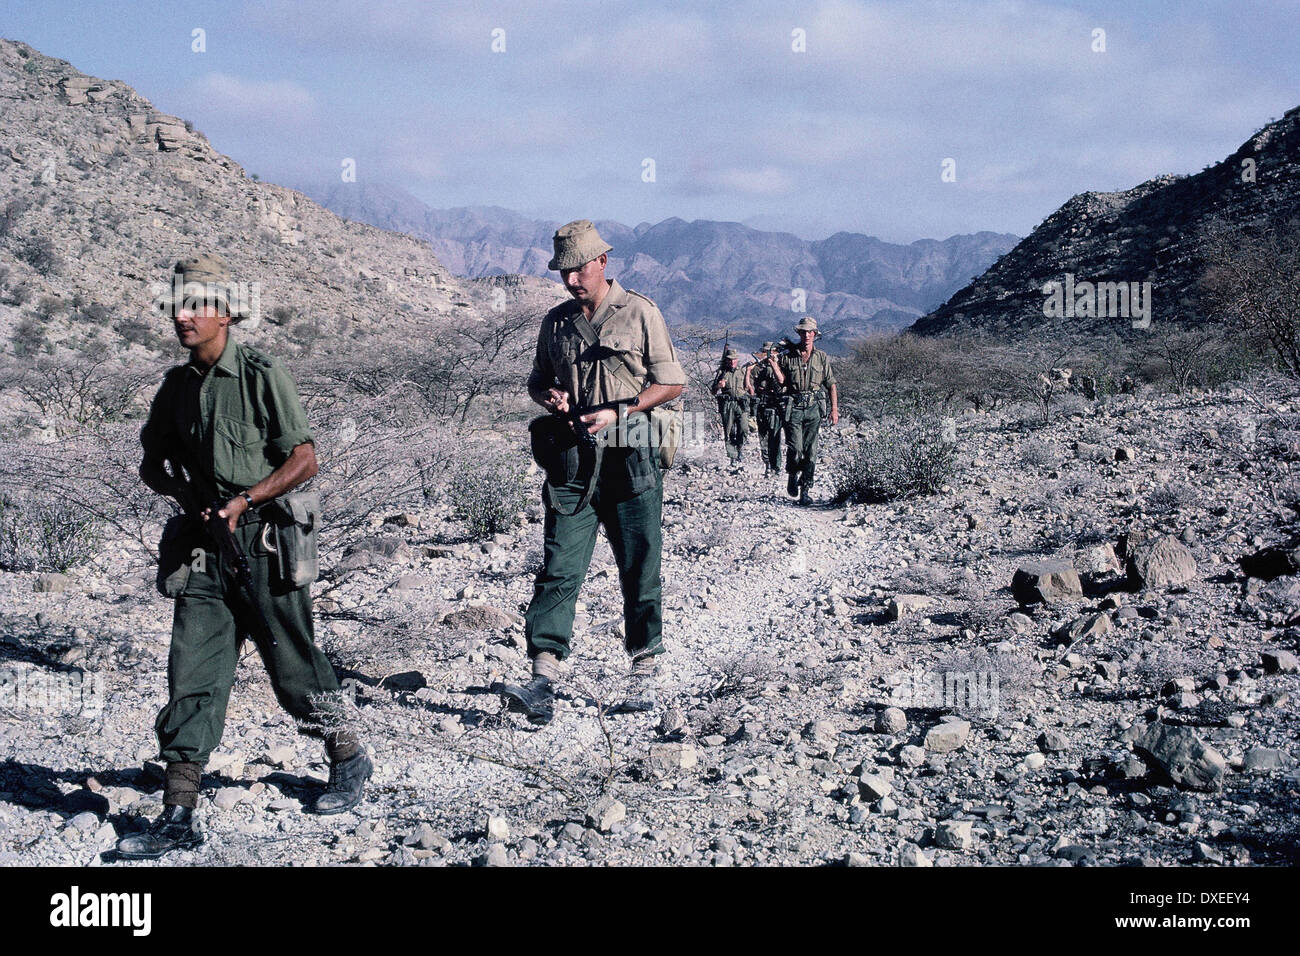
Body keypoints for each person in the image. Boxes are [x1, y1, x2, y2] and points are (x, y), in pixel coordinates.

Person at [117, 255, 370, 860]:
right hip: (206, 547)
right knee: (192, 672)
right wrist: (185, 494)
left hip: (261, 541)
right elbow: (153, 460)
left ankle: (347, 757)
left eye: (196, 305)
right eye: (176, 304)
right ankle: (178, 811)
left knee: (294, 664)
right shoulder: (176, 387)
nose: (183, 316)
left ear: (226, 314)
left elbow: (305, 458)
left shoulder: (260, 374)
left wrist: (245, 499)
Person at [501, 221, 686, 724]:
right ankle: (542, 679)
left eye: (580, 268)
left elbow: (672, 384)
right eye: (565, 271)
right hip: (575, 460)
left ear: (603, 262)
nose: (571, 279)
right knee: (560, 566)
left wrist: (622, 411)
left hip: (632, 452)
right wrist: (551, 396)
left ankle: (644, 668)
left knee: (639, 567)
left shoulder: (641, 312)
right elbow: (537, 382)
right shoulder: (556, 323)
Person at [768, 316, 839, 506]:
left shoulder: (821, 357)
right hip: (794, 408)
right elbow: (782, 381)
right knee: (795, 448)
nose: (807, 335)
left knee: (811, 452)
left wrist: (834, 409)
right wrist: (774, 365)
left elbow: (831, 384)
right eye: (803, 332)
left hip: (814, 409)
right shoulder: (788, 356)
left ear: (815, 334)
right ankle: (792, 473)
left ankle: (805, 489)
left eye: (810, 332)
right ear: (799, 333)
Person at [745, 342, 783, 476]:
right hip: (762, 406)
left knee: (775, 438)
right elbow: (749, 388)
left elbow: (782, 383)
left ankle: (776, 466)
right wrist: (749, 371)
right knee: (763, 438)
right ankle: (767, 465)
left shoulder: (780, 367)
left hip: (775, 407)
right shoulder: (758, 368)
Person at [712, 347, 748, 468]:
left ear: (737, 360)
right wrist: (719, 385)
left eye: (734, 360)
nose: (732, 362)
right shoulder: (722, 373)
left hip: (741, 404)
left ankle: (740, 448)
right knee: (729, 431)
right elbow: (713, 391)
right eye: (729, 360)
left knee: (743, 428)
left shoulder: (742, 371)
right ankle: (733, 456)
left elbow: (749, 386)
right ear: (726, 361)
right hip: (727, 405)